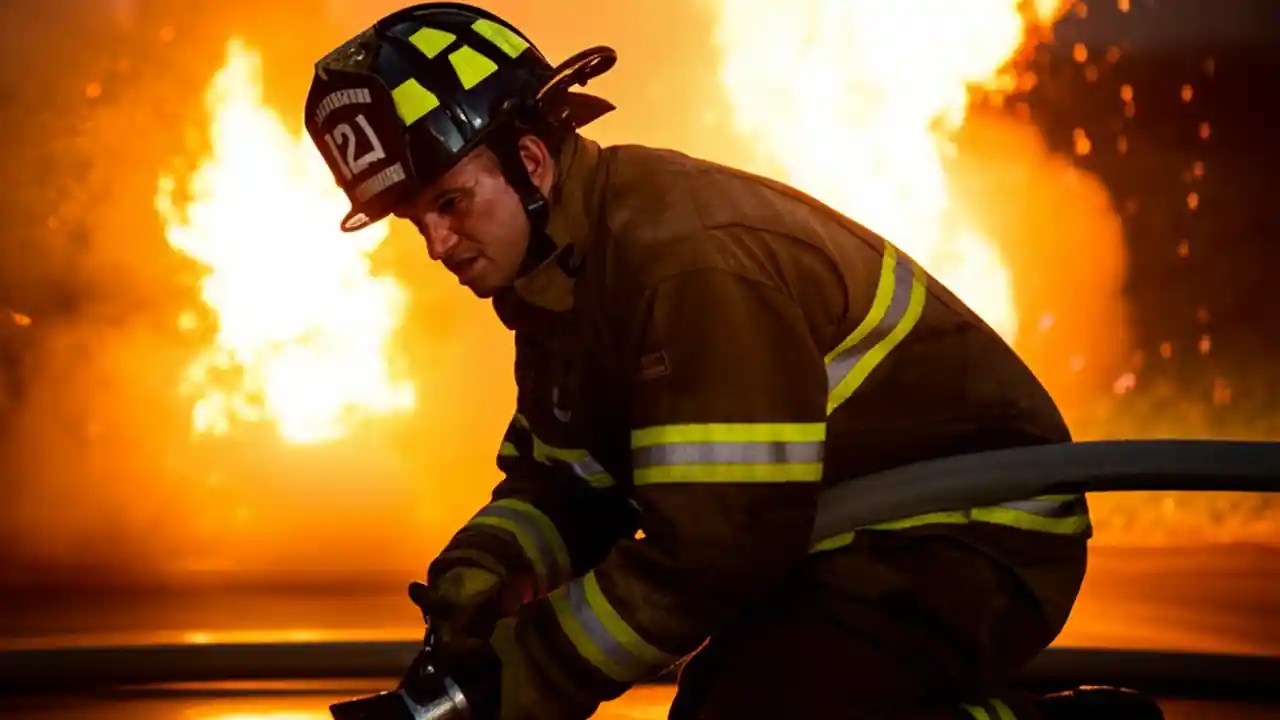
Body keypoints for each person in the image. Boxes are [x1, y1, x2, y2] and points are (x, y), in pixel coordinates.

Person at [304, 4, 1092, 718]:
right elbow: (571, 481)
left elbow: (715, 552)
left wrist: (520, 676)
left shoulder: (686, 266)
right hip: (834, 543)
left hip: (970, 535)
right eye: (416, 221)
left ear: (532, 161)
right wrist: (486, 570)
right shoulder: (564, 279)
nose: (437, 246)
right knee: (721, 702)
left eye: (449, 202)